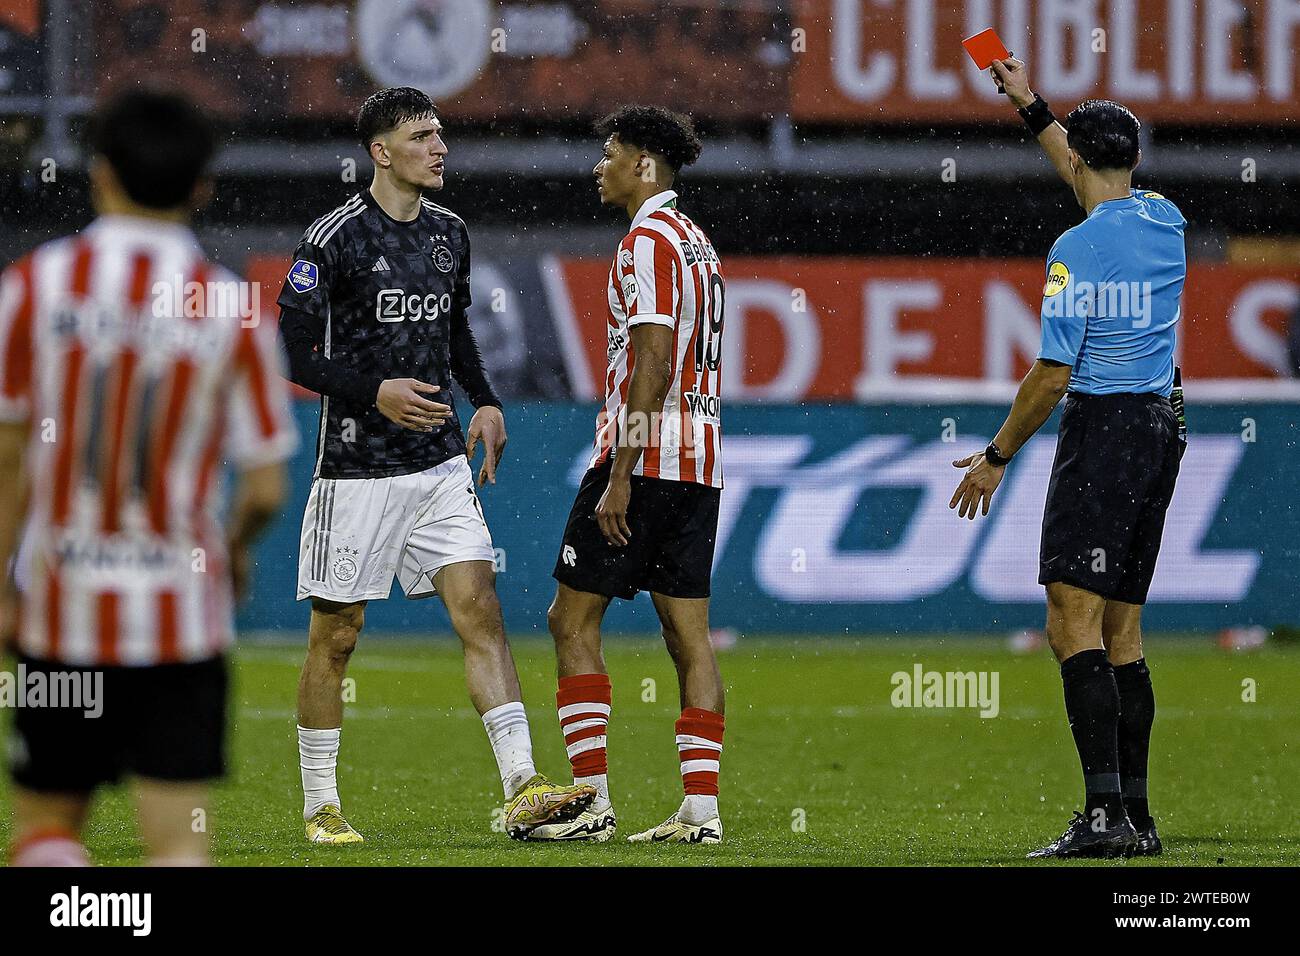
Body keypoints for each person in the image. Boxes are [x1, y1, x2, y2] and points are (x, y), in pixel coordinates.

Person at [276, 87, 593, 844]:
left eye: (441, 134)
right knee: (338, 637)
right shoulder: (335, 238)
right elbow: (290, 349)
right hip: (355, 470)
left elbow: (454, 332)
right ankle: (322, 805)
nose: (440, 147)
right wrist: (372, 391)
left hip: (439, 463)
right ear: (381, 152)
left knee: (480, 610)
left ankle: (523, 787)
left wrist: (483, 398)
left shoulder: (450, 232)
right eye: (422, 136)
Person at [0, 88, 295, 866]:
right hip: (180, 623)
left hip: (59, 613)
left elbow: (8, 456)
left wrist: (3, 583)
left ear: (98, 173)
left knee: (46, 835)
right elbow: (264, 486)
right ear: (202, 186)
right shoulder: (232, 310)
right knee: (177, 848)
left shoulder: (34, 288)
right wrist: (231, 550)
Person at [948, 57, 1186, 858]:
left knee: (1068, 624)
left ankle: (1102, 819)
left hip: (1105, 432)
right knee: (1124, 633)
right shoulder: (1164, 220)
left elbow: (1052, 374)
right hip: (1161, 430)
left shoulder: (1074, 250)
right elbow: (1088, 175)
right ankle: (1137, 819)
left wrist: (995, 456)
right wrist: (1031, 106)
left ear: (1080, 162)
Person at [532, 106, 727, 845]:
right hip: (699, 460)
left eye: (610, 152)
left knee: (569, 620)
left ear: (644, 163)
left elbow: (654, 359)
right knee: (690, 635)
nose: (598, 166)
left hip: (644, 461)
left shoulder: (647, 242)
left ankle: (590, 801)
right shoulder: (698, 243)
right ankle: (700, 812)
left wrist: (622, 472)